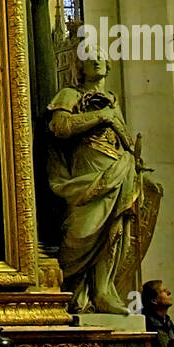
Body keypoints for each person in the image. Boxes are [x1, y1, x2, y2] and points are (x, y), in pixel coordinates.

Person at [47, 52, 142, 314]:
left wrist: (133, 158)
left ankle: (102, 290)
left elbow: (122, 133)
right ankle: (71, 291)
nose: (97, 60)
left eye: (101, 56)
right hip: (86, 176)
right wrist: (102, 116)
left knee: (115, 229)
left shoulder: (112, 99)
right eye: (90, 57)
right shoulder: (70, 94)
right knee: (81, 232)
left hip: (117, 168)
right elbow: (60, 127)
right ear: (79, 65)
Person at [142, 279, 174, 347]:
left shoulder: (168, 323)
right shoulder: (147, 325)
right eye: (164, 291)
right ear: (154, 300)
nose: (169, 293)